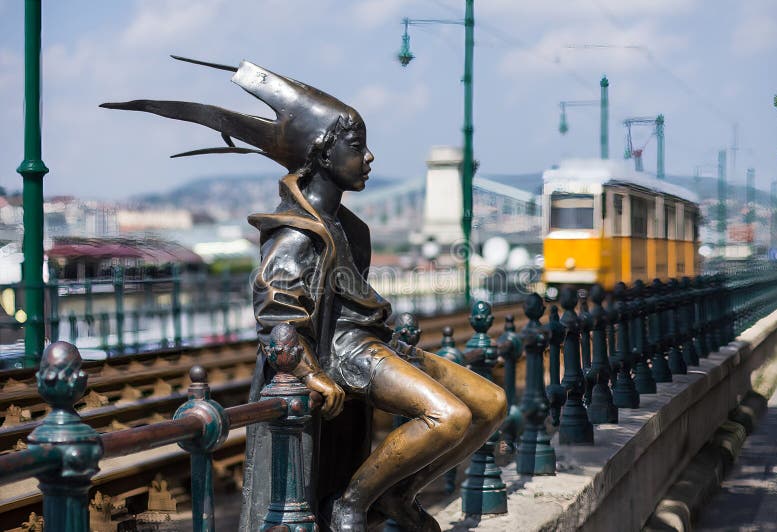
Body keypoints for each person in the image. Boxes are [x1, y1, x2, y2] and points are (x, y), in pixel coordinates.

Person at [102, 57, 506, 532]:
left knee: (492, 404)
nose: (370, 157)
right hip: (347, 355)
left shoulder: (351, 229)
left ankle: (397, 495)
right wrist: (311, 374)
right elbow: (277, 321)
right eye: (358, 146)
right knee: (449, 416)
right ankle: (353, 503)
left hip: (376, 342)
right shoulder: (295, 234)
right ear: (321, 153)